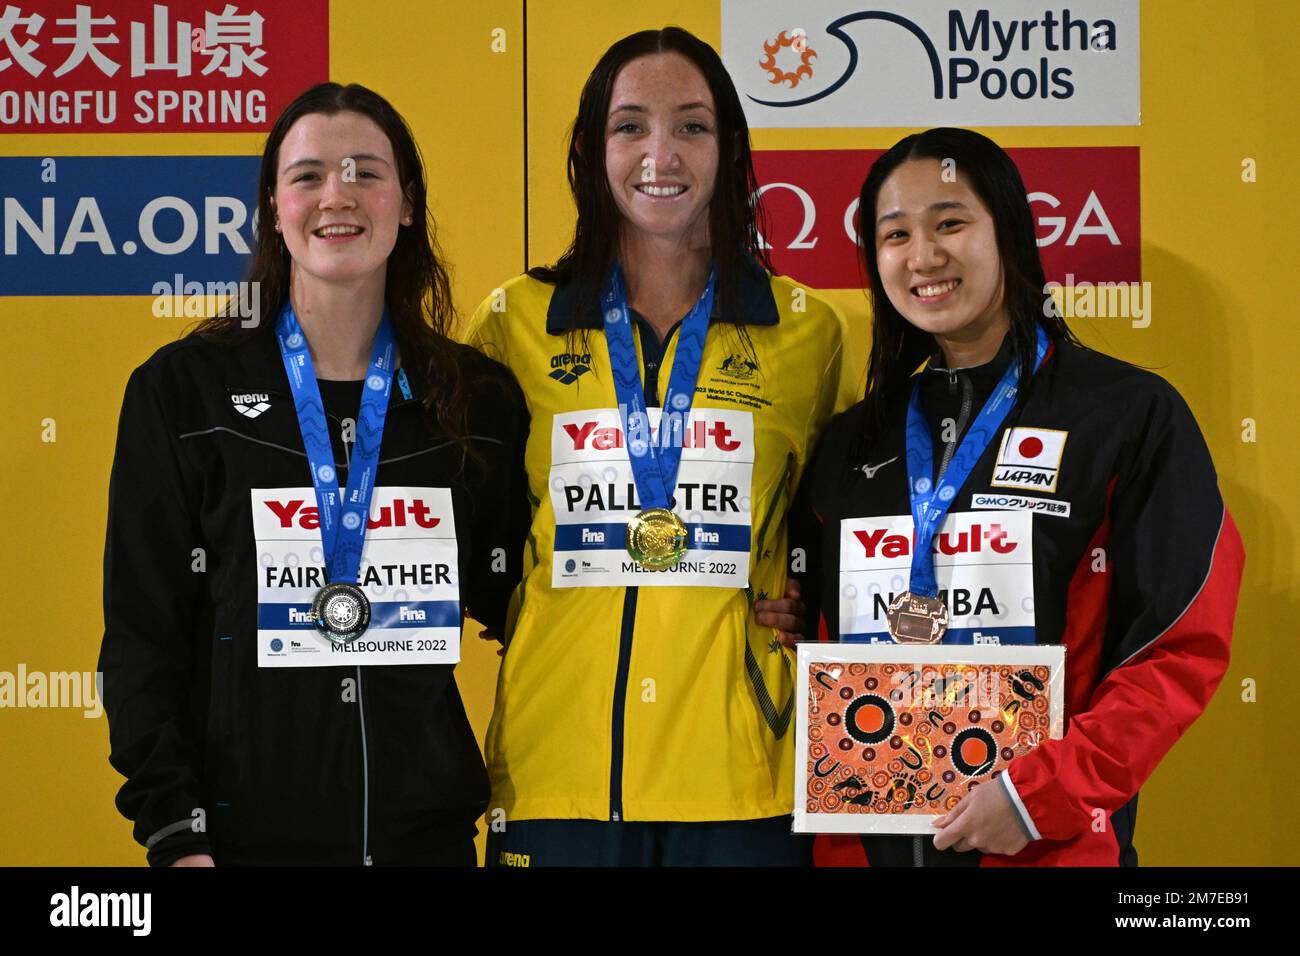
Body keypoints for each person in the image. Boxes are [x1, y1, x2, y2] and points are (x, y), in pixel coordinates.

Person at [99, 82, 529, 866]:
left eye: (366, 171)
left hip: (425, 841)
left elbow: (532, 600)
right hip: (240, 844)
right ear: (273, 207)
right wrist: (176, 832)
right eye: (308, 175)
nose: (339, 194)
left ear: (406, 205)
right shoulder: (184, 392)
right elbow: (141, 638)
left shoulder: (476, 401)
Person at [798, 127, 1244, 866]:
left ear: (1008, 230)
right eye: (895, 234)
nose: (923, 256)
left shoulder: (1126, 414)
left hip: (1048, 844)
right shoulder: (854, 438)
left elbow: (1178, 649)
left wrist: (1039, 798)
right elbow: (816, 624)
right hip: (868, 842)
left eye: (950, 222)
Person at [465, 27, 853, 866]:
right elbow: (466, 530)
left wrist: (810, 594)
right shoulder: (515, 323)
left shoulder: (806, 330)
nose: (660, 153)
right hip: (554, 768)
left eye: (692, 126)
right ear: (590, 147)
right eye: (630, 125)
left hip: (743, 776)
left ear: (730, 149)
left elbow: (849, 516)